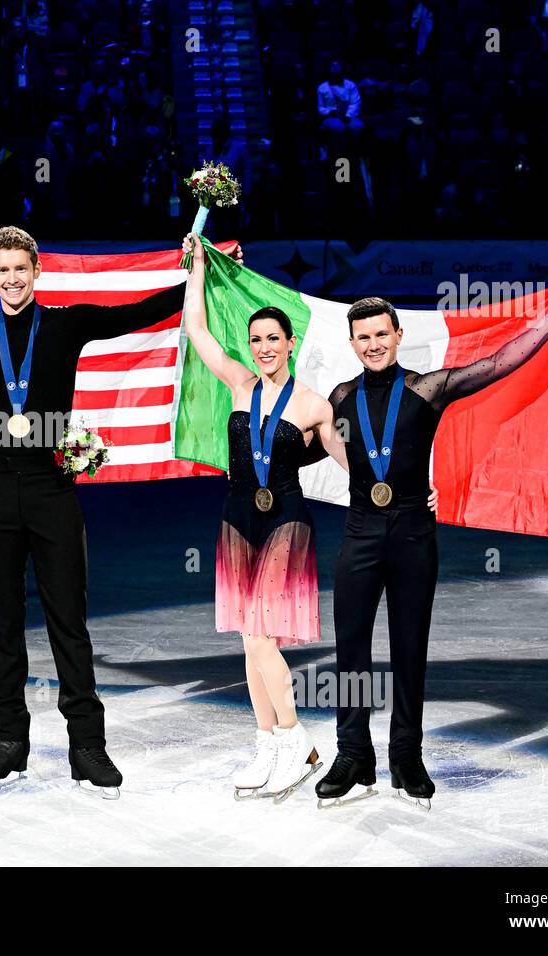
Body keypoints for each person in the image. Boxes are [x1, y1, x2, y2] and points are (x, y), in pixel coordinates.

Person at [0, 227, 244, 798]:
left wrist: (200, 272)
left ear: (36, 270)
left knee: (68, 621)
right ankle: (9, 741)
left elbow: (140, 312)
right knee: (3, 623)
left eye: (20, 269)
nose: (11, 279)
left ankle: (87, 746)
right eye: (1, 270)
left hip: (52, 491)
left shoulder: (67, 324)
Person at [315, 284, 548, 809]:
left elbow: (497, 363)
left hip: (414, 533)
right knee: (352, 650)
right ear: (352, 343)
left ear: (398, 335)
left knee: (409, 650)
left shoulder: (427, 388)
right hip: (361, 534)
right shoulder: (341, 398)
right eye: (362, 337)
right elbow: (317, 440)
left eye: (380, 334)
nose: (372, 344)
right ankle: (353, 754)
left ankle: (406, 757)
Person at [180, 234, 333, 800]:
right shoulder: (241, 385)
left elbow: (349, 456)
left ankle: (292, 738)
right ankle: (270, 742)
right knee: (249, 640)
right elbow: (197, 332)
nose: (264, 346)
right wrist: (197, 266)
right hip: (238, 518)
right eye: (256, 339)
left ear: (290, 343)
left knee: (262, 637)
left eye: (273, 338)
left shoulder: (313, 403)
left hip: (286, 521)